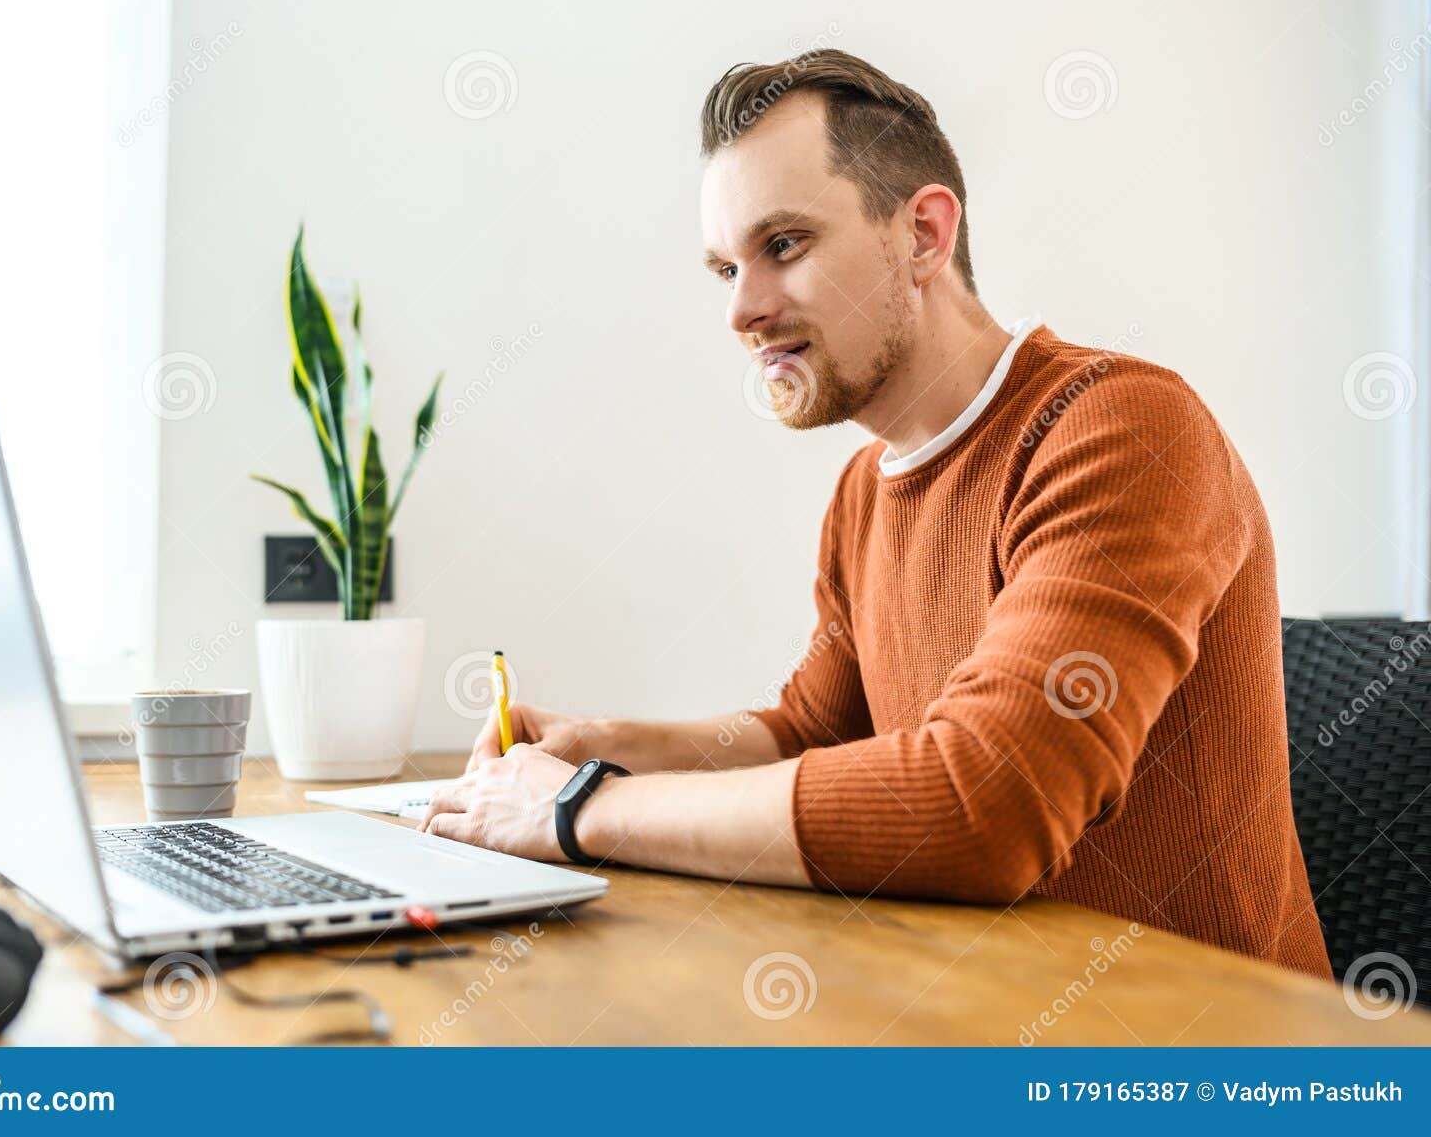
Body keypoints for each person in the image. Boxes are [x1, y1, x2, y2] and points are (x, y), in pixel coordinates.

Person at [420, 49, 1330, 978]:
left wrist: (579, 810)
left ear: (925, 236)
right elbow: (816, 732)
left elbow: (991, 802)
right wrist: (606, 746)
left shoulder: (1123, 428)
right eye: (725, 266)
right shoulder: (866, 491)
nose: (742, 308)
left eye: (784, 245)